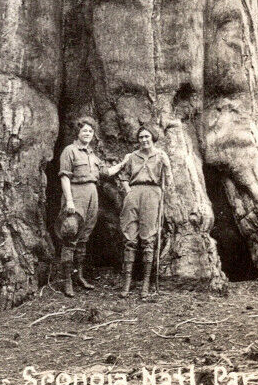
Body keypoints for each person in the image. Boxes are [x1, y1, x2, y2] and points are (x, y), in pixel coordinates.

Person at [105, 126, 173, 299]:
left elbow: (169, 181)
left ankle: (145, 284)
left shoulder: (161, 155)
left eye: (147, 136)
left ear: (153, 137)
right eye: (141, 137)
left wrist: (166, 166)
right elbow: (124, 177)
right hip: (134, 194)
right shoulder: (132, 157)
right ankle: (126, 283)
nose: (144, 140)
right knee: (129, 238)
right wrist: (129, 192)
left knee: (148, 238)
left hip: (152, 194)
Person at [56, 115, 104, 295]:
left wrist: (126, 161)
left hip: (92, 195)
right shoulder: (70, 151)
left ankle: (79, 276)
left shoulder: (92, 154)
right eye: (84, 130)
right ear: (78, 132)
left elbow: (105, 172)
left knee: (84, 238)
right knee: (70, 234)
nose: (88, 134)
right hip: (76, 195)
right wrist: (69, 200)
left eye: (91, 131)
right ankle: (67, 281)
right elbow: (65, 177)